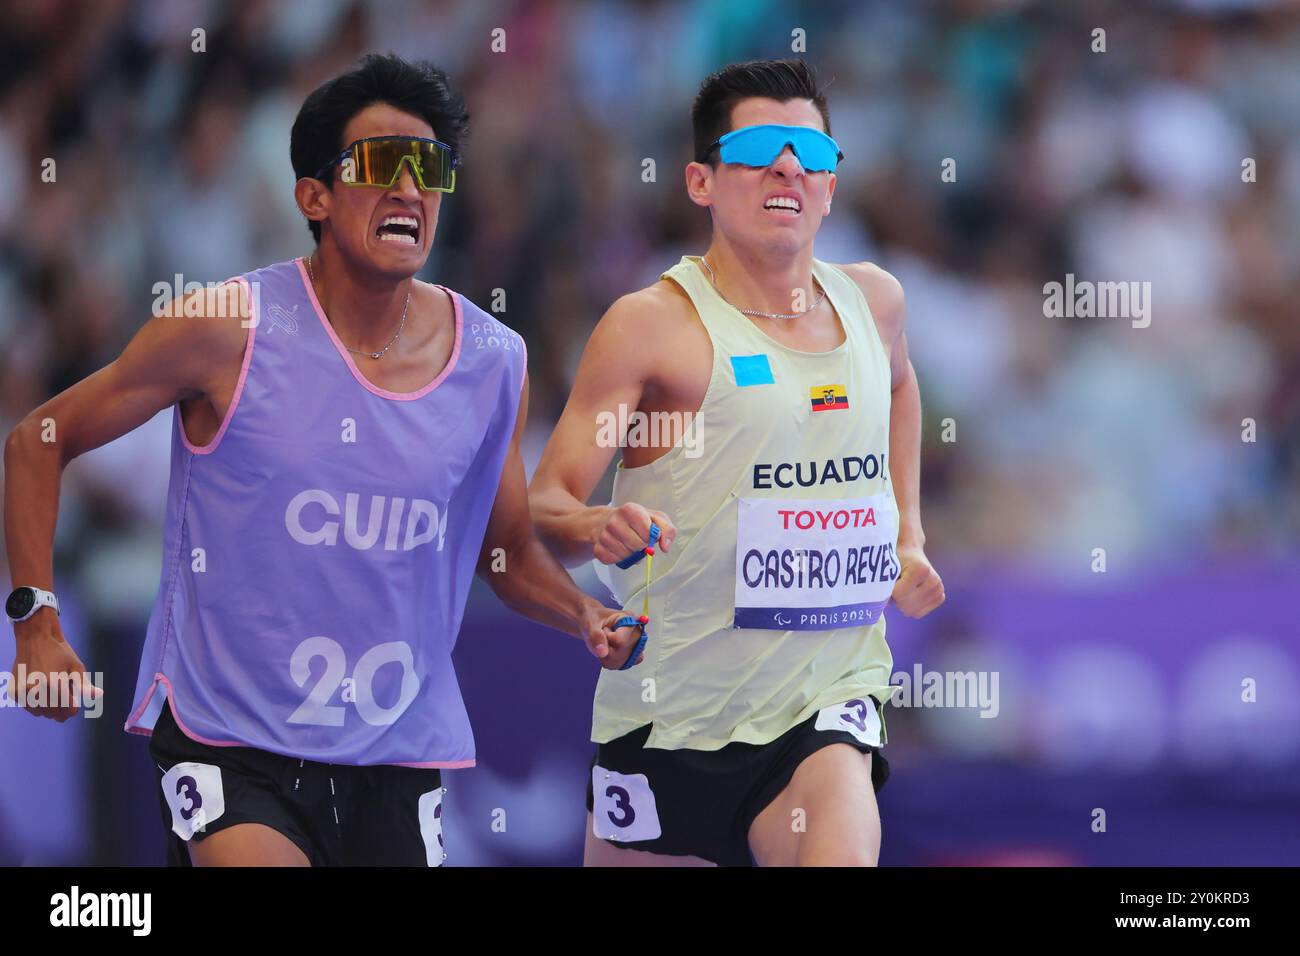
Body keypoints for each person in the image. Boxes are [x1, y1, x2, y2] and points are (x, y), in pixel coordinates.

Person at [3, 53, 639, 867]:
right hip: (227, 737)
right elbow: (37, 440)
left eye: (431, 168)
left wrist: (584, 614)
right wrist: (37, 622)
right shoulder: (225, 328)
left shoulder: (493, 358)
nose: (411, 187)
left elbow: (504, 552)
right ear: (314, 195)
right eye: (381, 164)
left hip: (396, 752)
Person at [529, 59, 945, 867]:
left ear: (830, 184)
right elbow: (548, 499)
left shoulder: (876, 304)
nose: (788, 167)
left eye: (811, 153)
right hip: (670, 713)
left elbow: (898, 388)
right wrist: (598, 523)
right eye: (759, 148)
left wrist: (910, 534)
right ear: (701, 181)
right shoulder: (652, 327)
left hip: (825, 699)